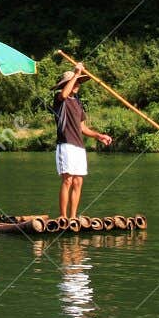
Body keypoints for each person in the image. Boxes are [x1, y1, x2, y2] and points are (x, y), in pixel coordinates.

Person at [53, 63, 112, 220]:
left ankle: (73, 217)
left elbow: (83, 128)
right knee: (68, 180)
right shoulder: (60, 100)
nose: (78, 84)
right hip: (65, 145)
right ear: (68, 83)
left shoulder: (78, 103)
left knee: (78, 182)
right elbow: (64, 95)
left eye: (79, 82)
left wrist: (99, 136)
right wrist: (76, 73)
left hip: (79, 146)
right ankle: (63, 216)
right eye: (76, 82)